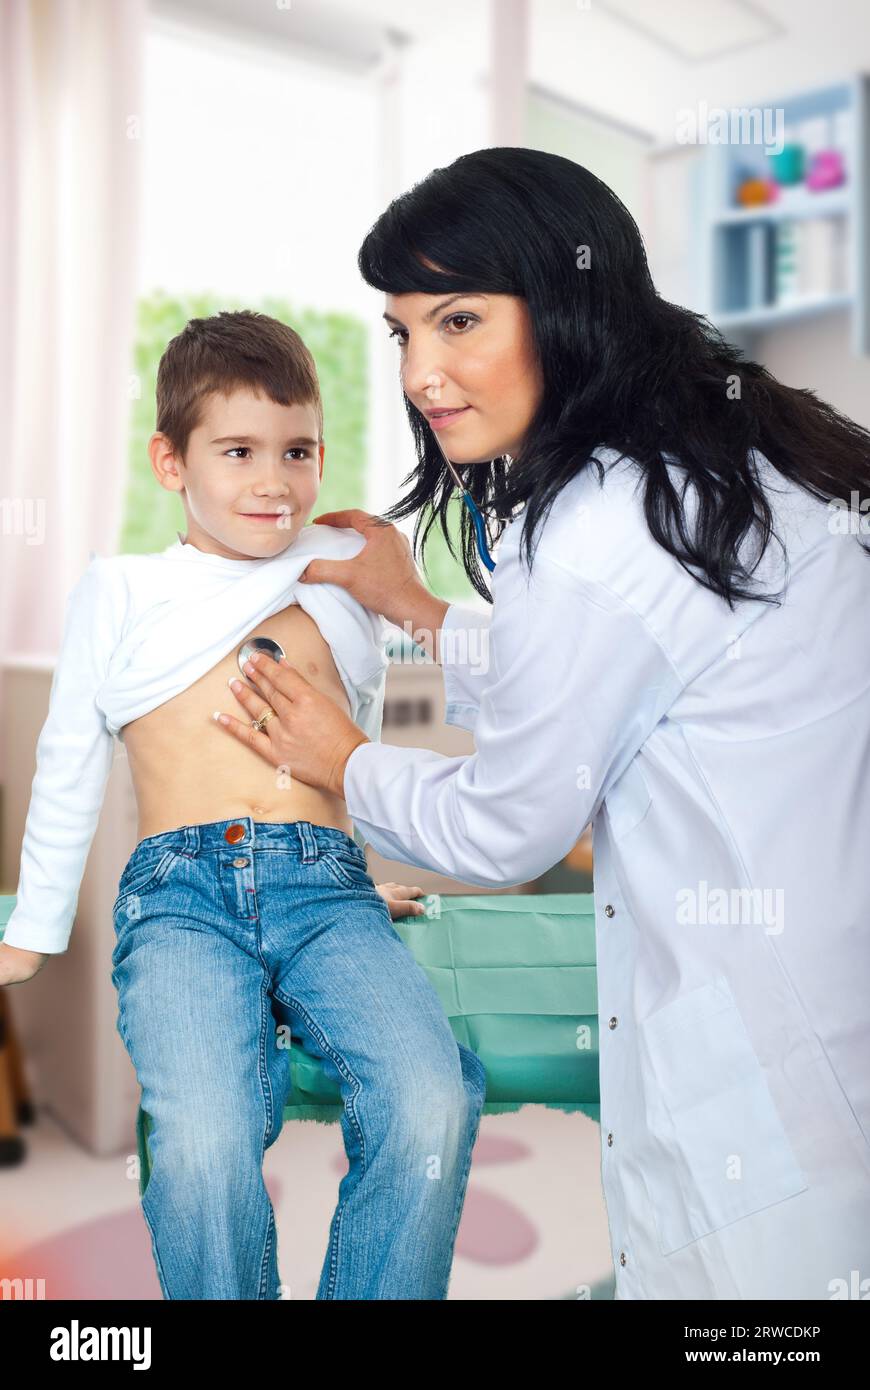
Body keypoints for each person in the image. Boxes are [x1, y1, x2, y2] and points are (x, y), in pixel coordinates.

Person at [215, 149, 870, 1300]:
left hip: (775, 1054)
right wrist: (414, 607)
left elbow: (507, 827)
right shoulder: (720, 452)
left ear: (568, 300)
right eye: (402, 331)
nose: (424, 371)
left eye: (459, 319)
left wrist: (345, 759)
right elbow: (609, 671)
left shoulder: (610, 524)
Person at [0, 309, 487, 1300]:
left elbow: (362, 744)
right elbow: (67, 762)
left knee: (431, 1096)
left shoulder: (337, 584)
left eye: (298, 449)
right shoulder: (124, 589)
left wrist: (356, 858)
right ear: (170, 462)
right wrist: (34, 926)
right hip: (180, 898)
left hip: (327, 889)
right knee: (203, 1136)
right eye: (238, 450)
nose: (275, 479)